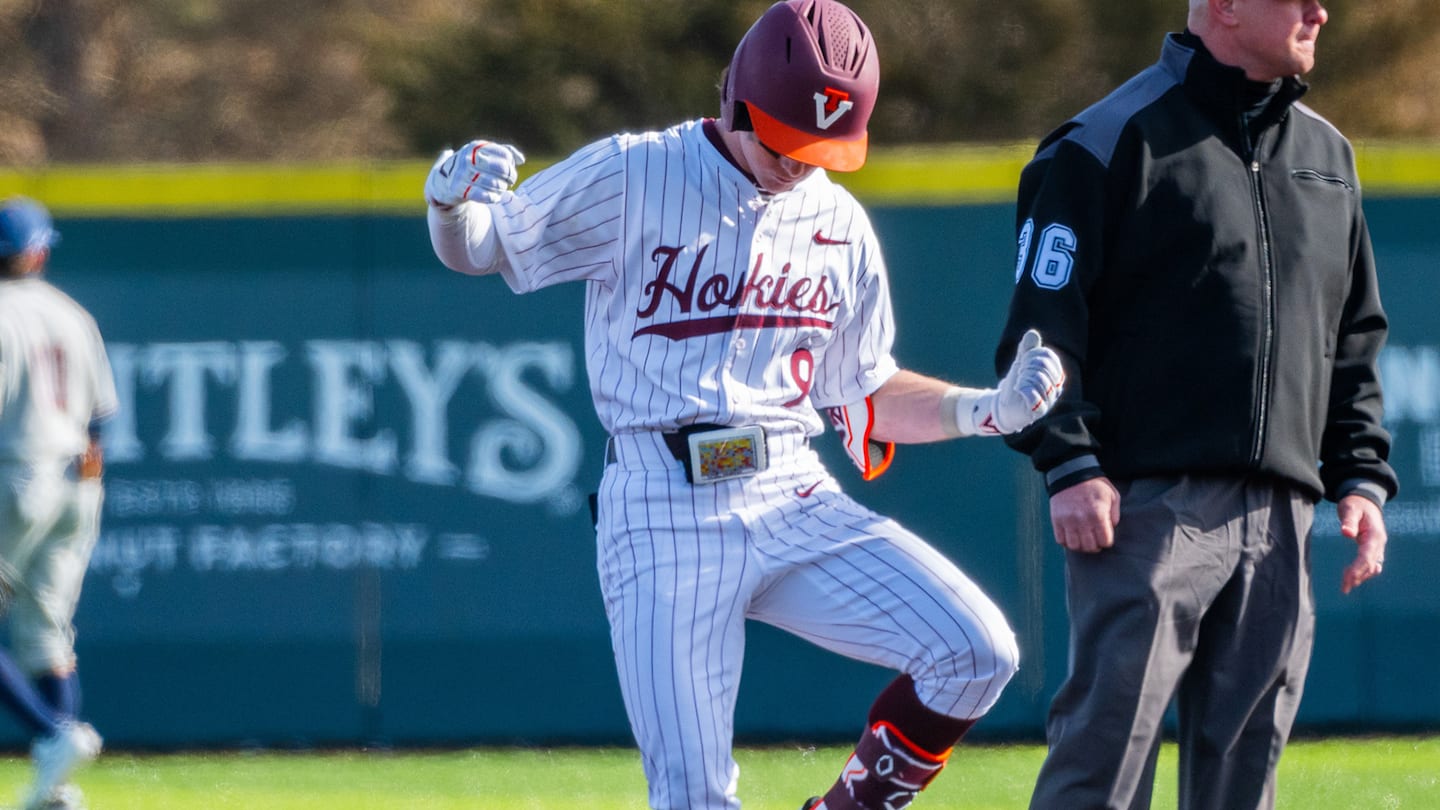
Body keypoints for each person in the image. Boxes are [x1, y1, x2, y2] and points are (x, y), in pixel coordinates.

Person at [425, 2, 1065, 807]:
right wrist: (451, 210)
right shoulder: (635, 172)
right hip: (661, 506)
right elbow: (487, 248)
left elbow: (864, 392)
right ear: (737, 103)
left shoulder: (839, 221)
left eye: (818, 148)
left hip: (792, 492)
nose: (798, 163)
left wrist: (986, 410)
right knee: (693, 796)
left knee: (976, 650)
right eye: (783, 140)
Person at [996, 1, 1397, 808]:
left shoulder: (1328, 156)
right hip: (1145, 510)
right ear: (1226, 6)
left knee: (1245, 779)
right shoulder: (1105, 140)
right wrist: (1070, 461)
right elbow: (1038, 337)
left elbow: (1351, 337)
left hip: (1282, 518)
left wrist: (1360, 474)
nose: (1320, 12)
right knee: (1103, 765)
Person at [0, 196, 112, 810]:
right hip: (78, 479)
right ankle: (56, 786)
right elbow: (100, 420)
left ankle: (54, 733)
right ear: (38, 252)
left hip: (17, 476)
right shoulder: (72, 313)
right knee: (46, 635)